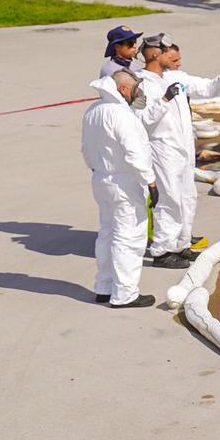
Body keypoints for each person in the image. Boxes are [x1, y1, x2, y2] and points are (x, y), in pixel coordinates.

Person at [137, 33, 220, 268]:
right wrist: (164, 100)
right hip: (162, 148)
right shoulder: (141, 83)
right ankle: (163, 252)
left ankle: (181, 245)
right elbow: (142, 119)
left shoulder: (176, 77)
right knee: (169, 199)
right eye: (168, 55)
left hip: (183, 146)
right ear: (154, 54)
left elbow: (206, 88)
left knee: (187, 197)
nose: (175, 60)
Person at [80, 69, 157, 309]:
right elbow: (135, 153)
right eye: (135, 87)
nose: (139, 91)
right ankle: (125, 294)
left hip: (101, 179)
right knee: (129, 236)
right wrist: (151, 181)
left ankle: (104, 287)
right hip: (124, 182)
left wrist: (96, 169)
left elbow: (86, 149)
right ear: (123, 89)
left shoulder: (93, 111)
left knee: (107, 233)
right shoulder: (121, 114)